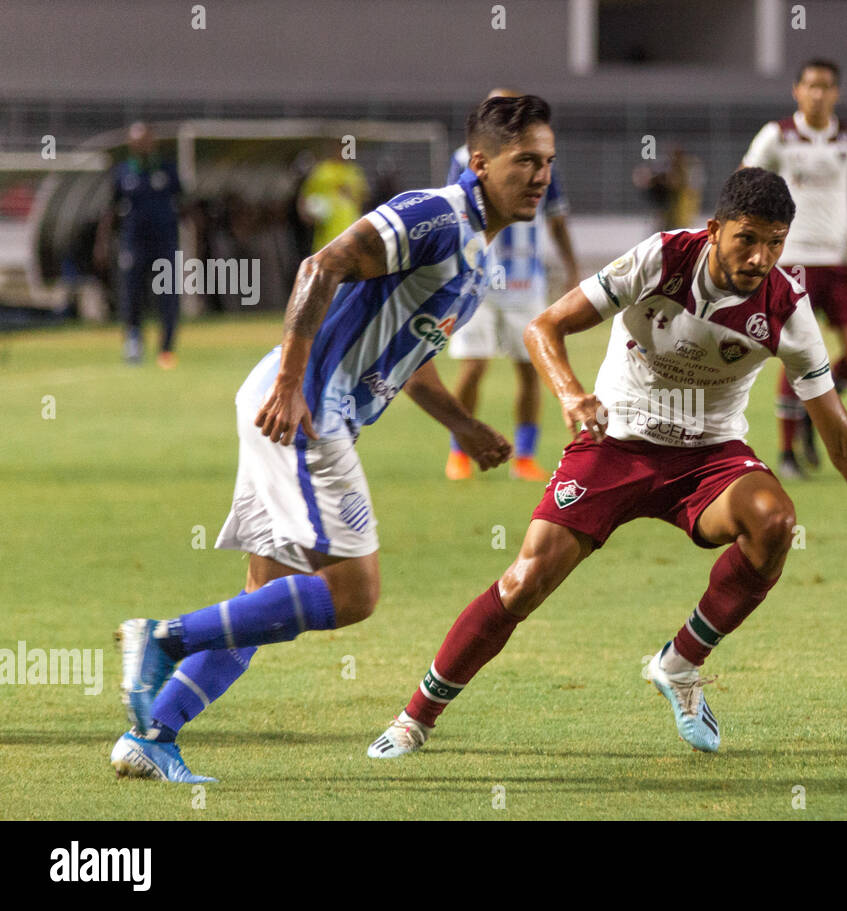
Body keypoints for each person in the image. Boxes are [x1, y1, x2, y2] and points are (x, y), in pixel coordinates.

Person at [367, 167, 847, 760]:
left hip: (709, 458)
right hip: (614, 444)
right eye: (747, 239)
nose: (760, 257)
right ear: (714, 229)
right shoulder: (661, 259)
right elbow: (544, 327)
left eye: (775, 243)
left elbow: (841, 438)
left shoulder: (785, 306)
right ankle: (414, 719)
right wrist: (572, 395)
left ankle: (679, 664)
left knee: (774, 521)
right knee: (525, 582)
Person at [110, 95, 556, 782]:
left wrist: (464, 427)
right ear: (480, 162)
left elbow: (407, 356)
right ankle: (163, 637)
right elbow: (323, 264)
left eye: (547, 162)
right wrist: (292, 383)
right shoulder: (436, 214)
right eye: (525, 160)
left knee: (263, 601)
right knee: (354, 591)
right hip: (306, 409)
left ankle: (153, 732)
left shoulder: (477, 256)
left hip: (301, 403)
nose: (540, 175)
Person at [741, 58, 847, 479]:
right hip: (793, 261)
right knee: (797, 354)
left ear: (835, 93)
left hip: (838, 262)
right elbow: (744, 186)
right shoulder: (777, 136)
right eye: (810, 86)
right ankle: (786, 454)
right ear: (797, 91)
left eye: (826, 87)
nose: (818, 94)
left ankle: (810, 412)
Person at [445, 88, 580, 483]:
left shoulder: (539, 159)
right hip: (478, 282)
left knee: (529, 369)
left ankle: (524, 457)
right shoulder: (464, 159)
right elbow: (459, 212)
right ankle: (459, 451)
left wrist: (571, 267)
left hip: (526, 282)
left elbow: (556, 217)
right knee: (473, 367)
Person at [94, 122, 184, 368]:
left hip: (164, 244)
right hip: (134, 244)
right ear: (131, 144)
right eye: (137, 140)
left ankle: (166, 349)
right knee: (132, 295)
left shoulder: (166, 169)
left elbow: (184, 203)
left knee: (167, 296)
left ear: (152, 141)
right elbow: (110, 211)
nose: (142, 144)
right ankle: (133, 342)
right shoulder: (123, 172)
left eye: (146, 139)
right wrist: (101, 243)